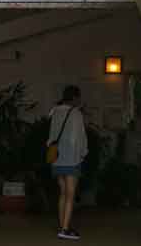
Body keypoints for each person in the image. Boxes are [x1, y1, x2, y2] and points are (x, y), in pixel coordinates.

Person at [48, 85, 87, 240]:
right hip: (71, 157)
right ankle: (65, 229)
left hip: (57, 157)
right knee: (71, 194)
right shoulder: (76, 113)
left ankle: (62, 225)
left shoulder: (55, 111)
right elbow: (80, 136)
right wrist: (83, 153)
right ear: (75, 98)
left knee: (63, 194)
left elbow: (51, 136)